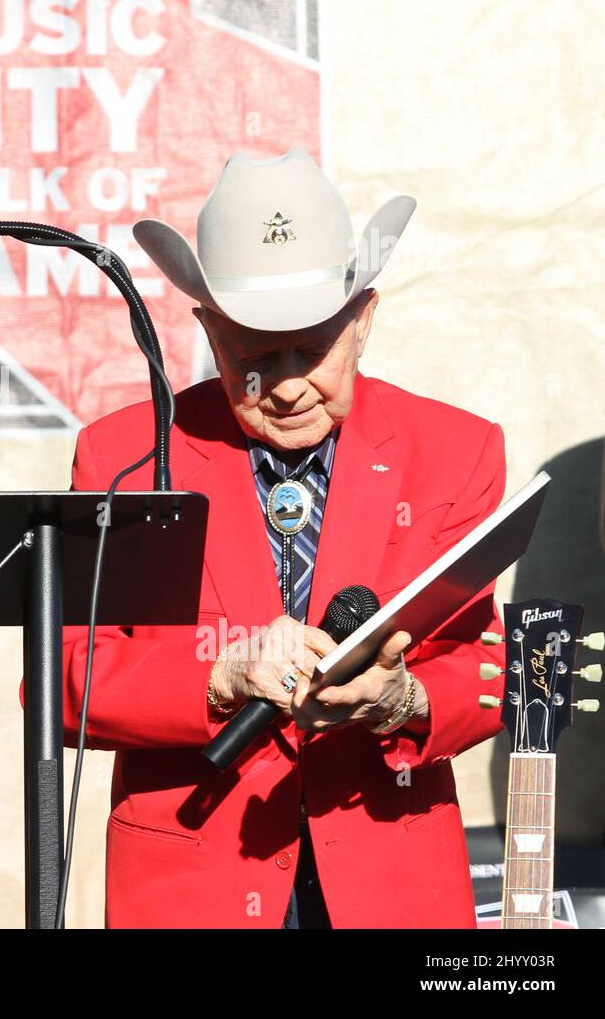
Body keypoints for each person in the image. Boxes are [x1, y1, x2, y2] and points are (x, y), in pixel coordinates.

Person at [64, 147, 505, 927]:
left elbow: (487, 665)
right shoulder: (125, 457)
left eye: (316, 345)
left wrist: (405, 699)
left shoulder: (455, 451)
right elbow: (67, 682)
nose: (293, 381)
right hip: (196, 878)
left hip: (389, 878)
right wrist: (217, 675)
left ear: (363, 319)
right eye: (257, 357)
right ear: (207, 330)